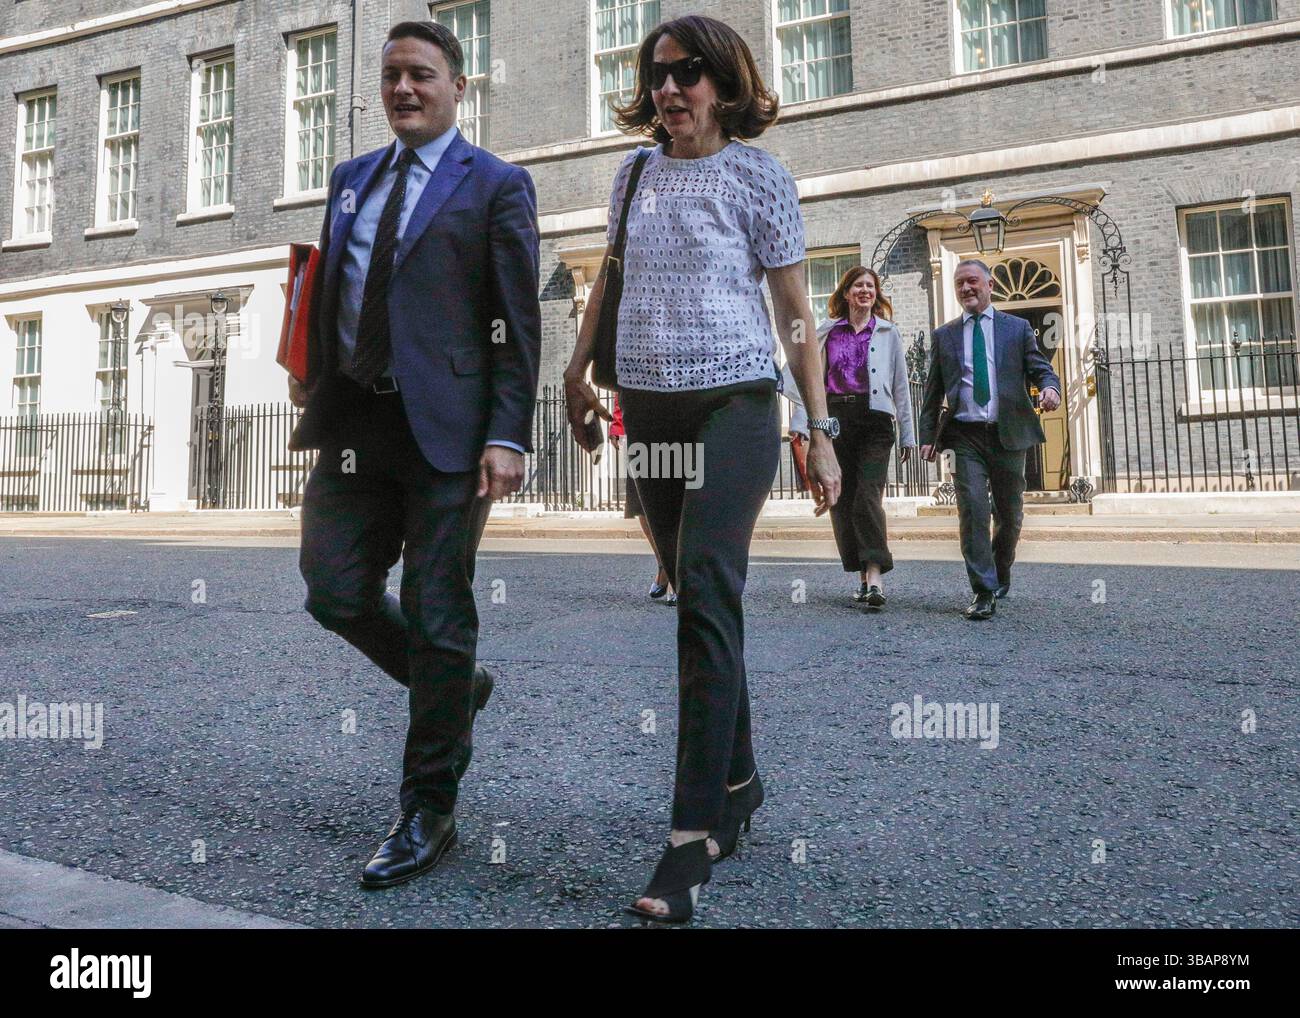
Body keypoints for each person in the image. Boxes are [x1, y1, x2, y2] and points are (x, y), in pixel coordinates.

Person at [564, 15, 841, 925]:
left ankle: (689, 840)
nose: (671, 89)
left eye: (688, 74)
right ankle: (742, 779)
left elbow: (797, 314)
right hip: (648, 406)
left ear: (723, 84)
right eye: (659, 76)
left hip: (735, 406)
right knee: (696, 593)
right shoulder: (633, 173)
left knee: (709, 586)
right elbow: (609, 277)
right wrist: (574, 370)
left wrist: (819, 425)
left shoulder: (759, 175)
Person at [286, 21, 540, 887]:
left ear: (458, 88)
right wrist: (311, 372)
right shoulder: (351, 180)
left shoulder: (497, 185)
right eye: (392, 75)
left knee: (439, 613)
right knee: (333, 591)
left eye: (421, 75)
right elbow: (337, 289)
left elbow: (517, 321)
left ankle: (428, 806)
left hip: (449, 435)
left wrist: (508, 432)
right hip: (356, 424)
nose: (403, 89)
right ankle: (454, 689)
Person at [918, 259, 1059, 621]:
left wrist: (1049, 388)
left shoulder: (1017, 328)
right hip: (965, 435)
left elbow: (1040, 368)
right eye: (960, 284)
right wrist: (926, 436)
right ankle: (982, 590)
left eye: (972, 281)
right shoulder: (944, 335)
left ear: (990, 284)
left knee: (1009, 514)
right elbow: (932, 393)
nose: (966, 288)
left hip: (1008, 432)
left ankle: (1000, 568)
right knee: (973, 510)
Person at [782, 266, 916, 609]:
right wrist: (805, 425)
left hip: (875, 421)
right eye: (859, 285)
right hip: (835, 421)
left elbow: (901, 385)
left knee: (867, 495)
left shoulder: (888, 332)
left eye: (871, 286)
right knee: (841, 497)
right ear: (846, 293)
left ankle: (874, 576)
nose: (865, 291)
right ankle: (861, 574)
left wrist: (908, 436)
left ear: (876, 294)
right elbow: (806, 379)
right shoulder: (828, 331)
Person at [610, 395, 675, 605]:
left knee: (679, 502)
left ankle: (677, 574)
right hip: (642, 424)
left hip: (681, 420)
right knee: (642, 505)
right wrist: (618, 422)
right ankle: (664, 563)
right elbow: (622, 376)